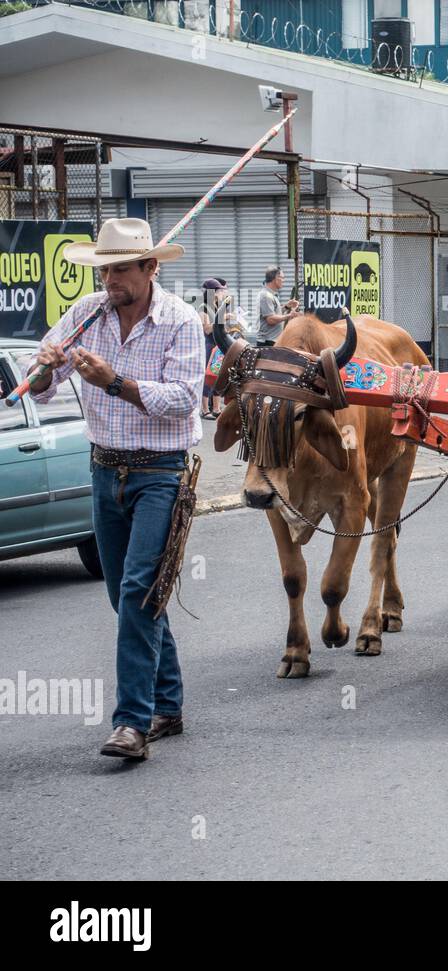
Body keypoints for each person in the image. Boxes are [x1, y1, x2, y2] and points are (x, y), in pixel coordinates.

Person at [26, 217, 204, 761]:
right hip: (105, 469)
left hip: (162, 472)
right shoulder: (86, 314)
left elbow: (181, 400)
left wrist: (114, 383)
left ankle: (132, 721)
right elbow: (41, 381)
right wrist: (44, 368)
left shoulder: (180, 320)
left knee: (136, 591)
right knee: (128, 596)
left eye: (121, 269)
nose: (110, 280)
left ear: (151, 268)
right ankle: (168, 703)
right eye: (104, 269)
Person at [198, 277, 229, 419]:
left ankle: (216, 408)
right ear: (213, 292)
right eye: (220, 291)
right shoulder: (203, 308)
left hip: (218, 345)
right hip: (209, 345)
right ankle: (204, 409)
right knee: (208, 377)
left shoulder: (217, 307)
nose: (223, 293)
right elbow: (207, 330)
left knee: (217, 376)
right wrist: (223, 318)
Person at [256, 265, 298, 346]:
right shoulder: (265, 295)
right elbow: (271, 319)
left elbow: (274, 314)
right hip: (267, 342)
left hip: (272, 341)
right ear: (276, 279)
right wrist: (290, 315)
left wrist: (286, 307)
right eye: (282, 278)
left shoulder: (271, 295)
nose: (284, 280)